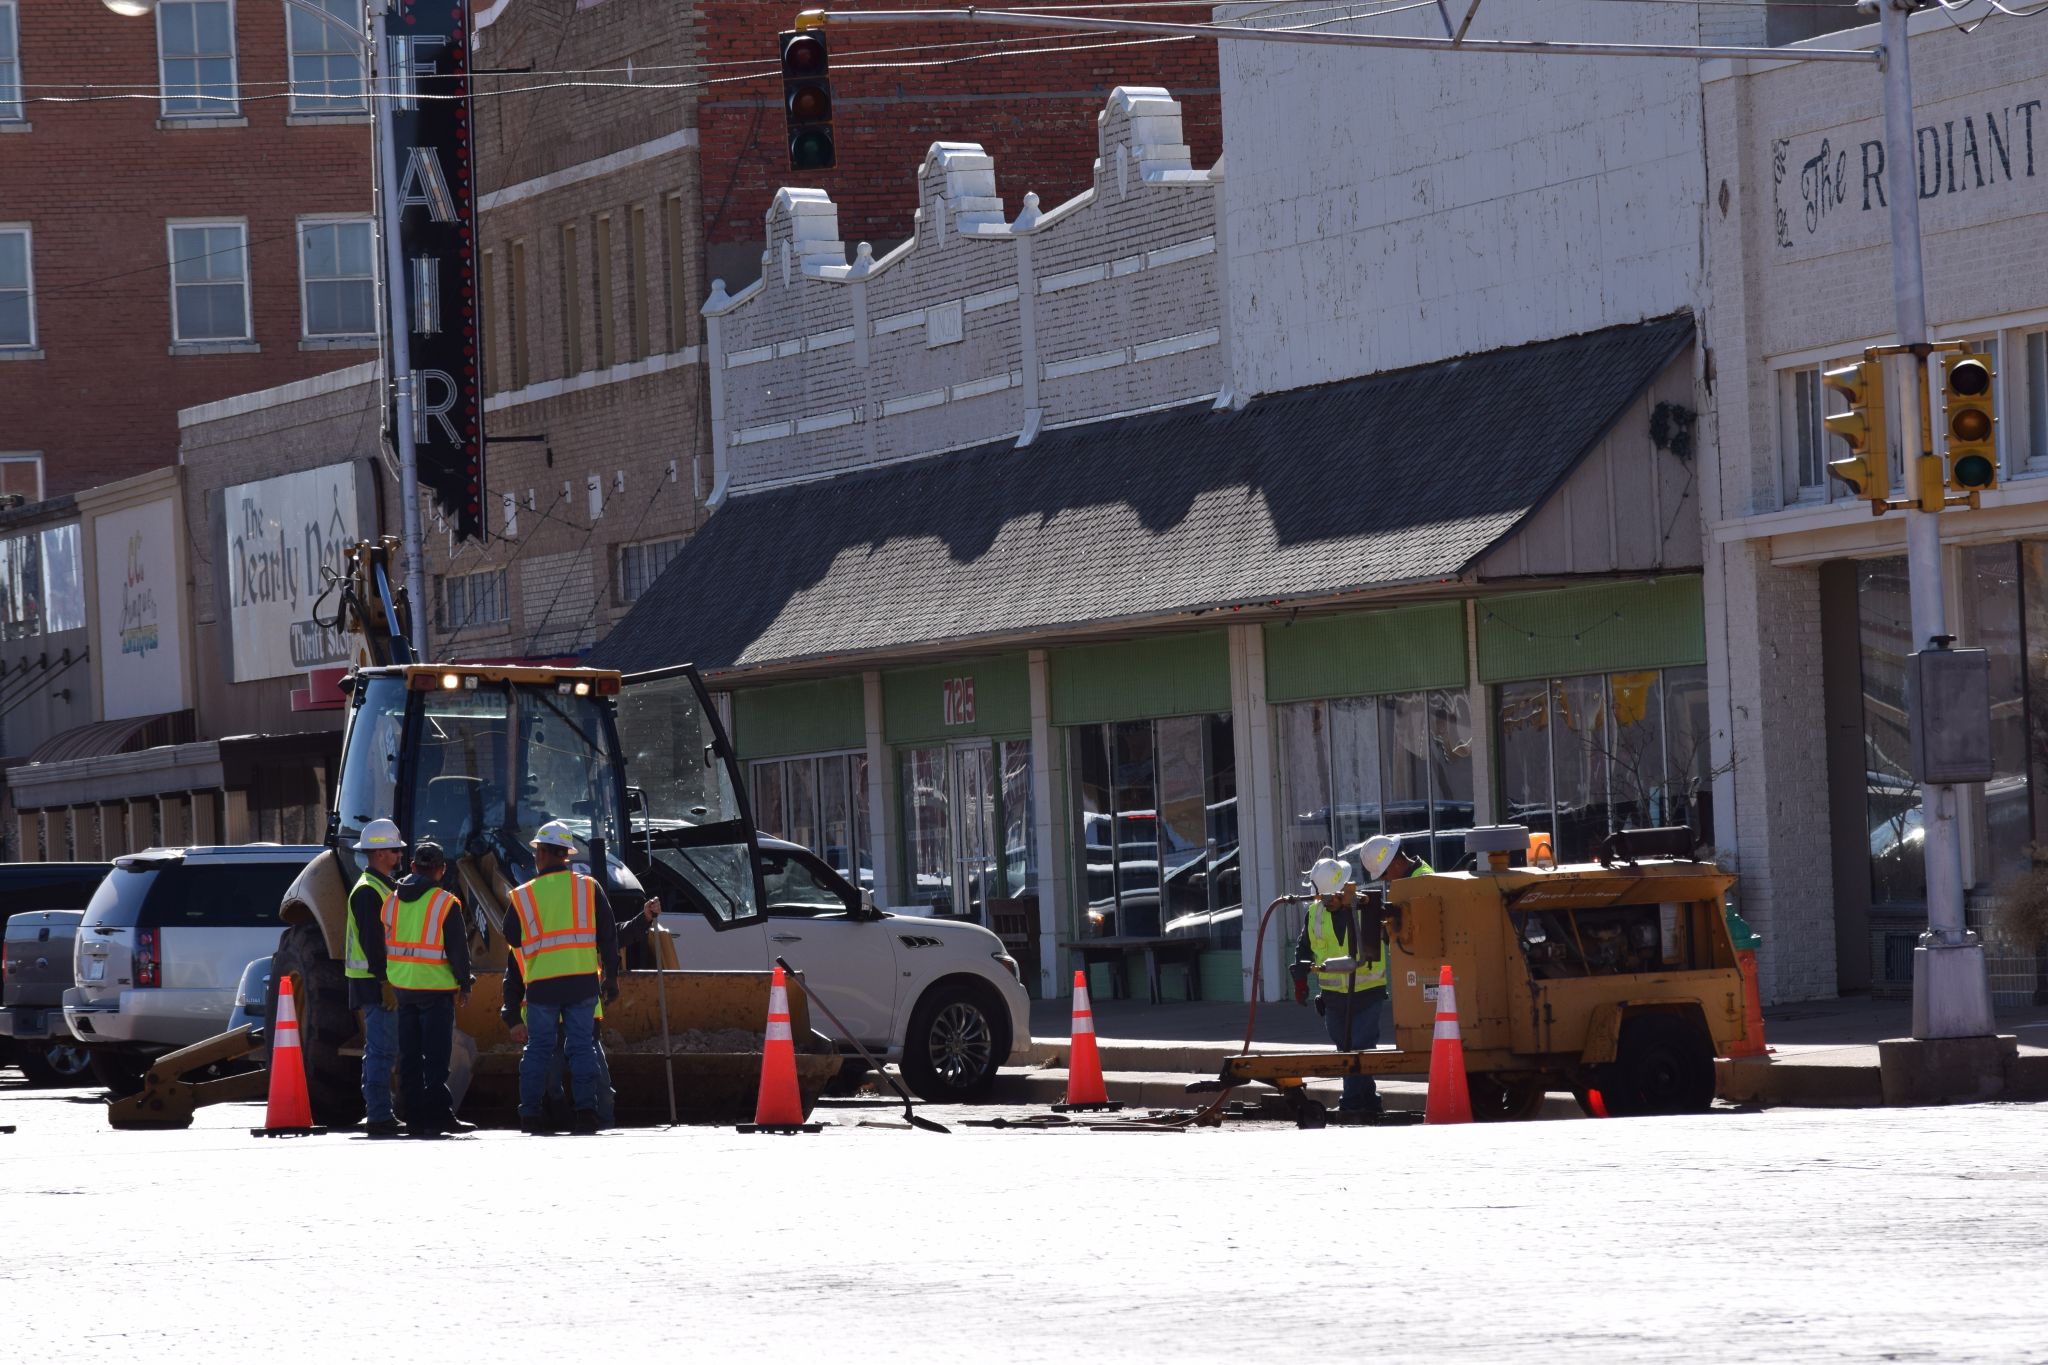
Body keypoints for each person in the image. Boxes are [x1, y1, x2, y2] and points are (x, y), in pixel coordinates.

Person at [503, 820, 621, 1134]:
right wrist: (611, 978)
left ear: (541, 853)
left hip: (542, 986)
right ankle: (586, 1113)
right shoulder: (589, 887)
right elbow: (608, 936)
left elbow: (512, 938)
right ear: (566, 855)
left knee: (538, 1050)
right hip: (582, 982)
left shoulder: (523, 895)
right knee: (582, 1048)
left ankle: (530, 1115)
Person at [503, 895, 662, 1128]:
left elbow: (614, 936)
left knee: (601, 1091)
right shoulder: (527, 940)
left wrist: (644, 918)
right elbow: (512, 982)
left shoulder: (580, 933)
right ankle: (559, 1125)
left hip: (581, 1024)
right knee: (551, 1087)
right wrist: (513, 1018)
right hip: (549, 1030)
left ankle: (600, 1126)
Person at [381, 841, 475, 1137]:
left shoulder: (392, 901)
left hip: (403, 988)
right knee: (436, 1057)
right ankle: (439, 1115)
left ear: (412, 867)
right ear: (442, 870)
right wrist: (465, 982)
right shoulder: (445, 902)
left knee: (409, 1055)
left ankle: (411, 1115)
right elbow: (458, 949)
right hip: (435, 989)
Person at [1291, 855, 1390, 1118]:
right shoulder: (1314, 913)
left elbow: (1393, 935)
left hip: (1367, 992)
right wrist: (1300, 978)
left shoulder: (1366, 906)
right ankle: (1366, 1100)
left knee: (1361, 1045)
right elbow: (1305, 948)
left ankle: (1351, 1101)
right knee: (1345, 1047)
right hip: (1334, 996)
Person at [345, 818, 404, 1138]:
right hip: (374, 981)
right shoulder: (369, 891)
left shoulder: (382, 886)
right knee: (381, 1050)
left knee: (384, 1048)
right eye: (395, 850)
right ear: (380, 853)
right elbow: (372, 941)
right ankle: (380, 1115)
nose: (399, 855)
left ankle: (383, 1112)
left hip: (377, 979)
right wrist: (385, 982)